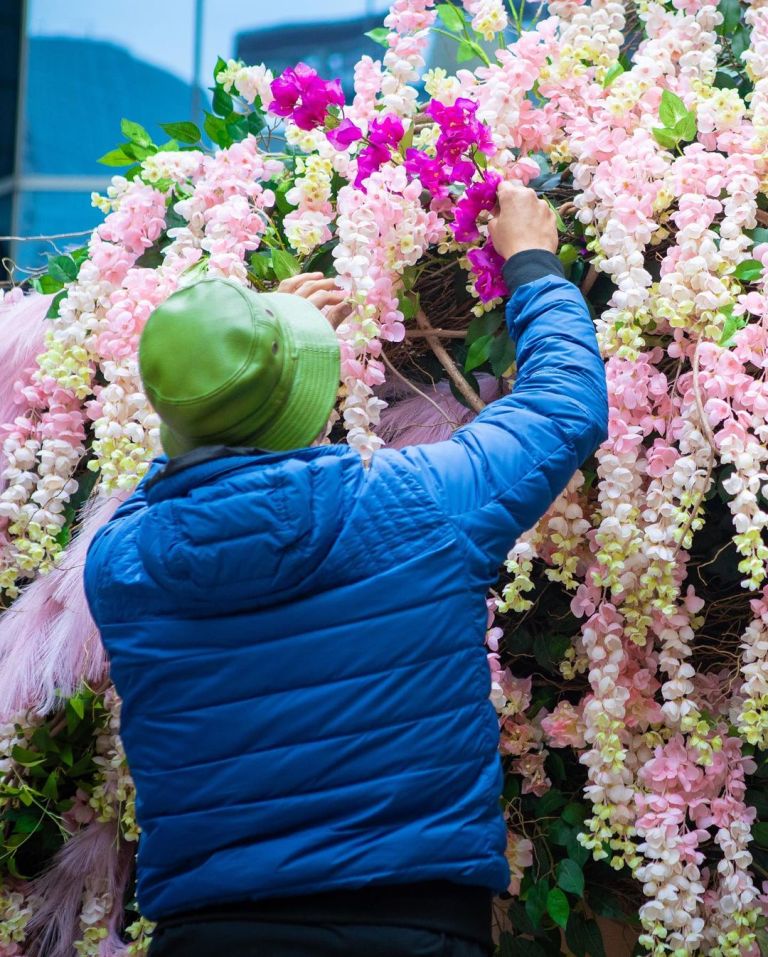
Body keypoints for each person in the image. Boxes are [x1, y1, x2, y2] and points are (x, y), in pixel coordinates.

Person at [84, 182, 608, 957]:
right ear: (315, 393)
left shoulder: (121, 563)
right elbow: (564, 407)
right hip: (414, 929)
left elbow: (181, 474)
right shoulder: (419, 504)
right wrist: (532, 261)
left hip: (211, 935)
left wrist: (251, 358)